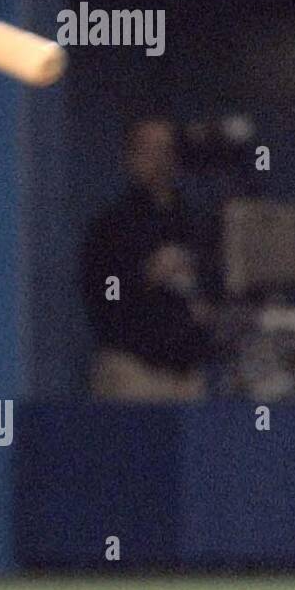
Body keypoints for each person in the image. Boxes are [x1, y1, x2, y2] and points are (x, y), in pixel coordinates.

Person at [81, 117, 215, 401]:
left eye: (166, 150)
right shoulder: (113, 226)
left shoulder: (192, 221)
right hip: (132, 371)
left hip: (185, 373)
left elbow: (210, 284)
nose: (159, 160)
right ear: (129, 157)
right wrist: (145, 275)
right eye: (148, 150)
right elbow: (100, 295)